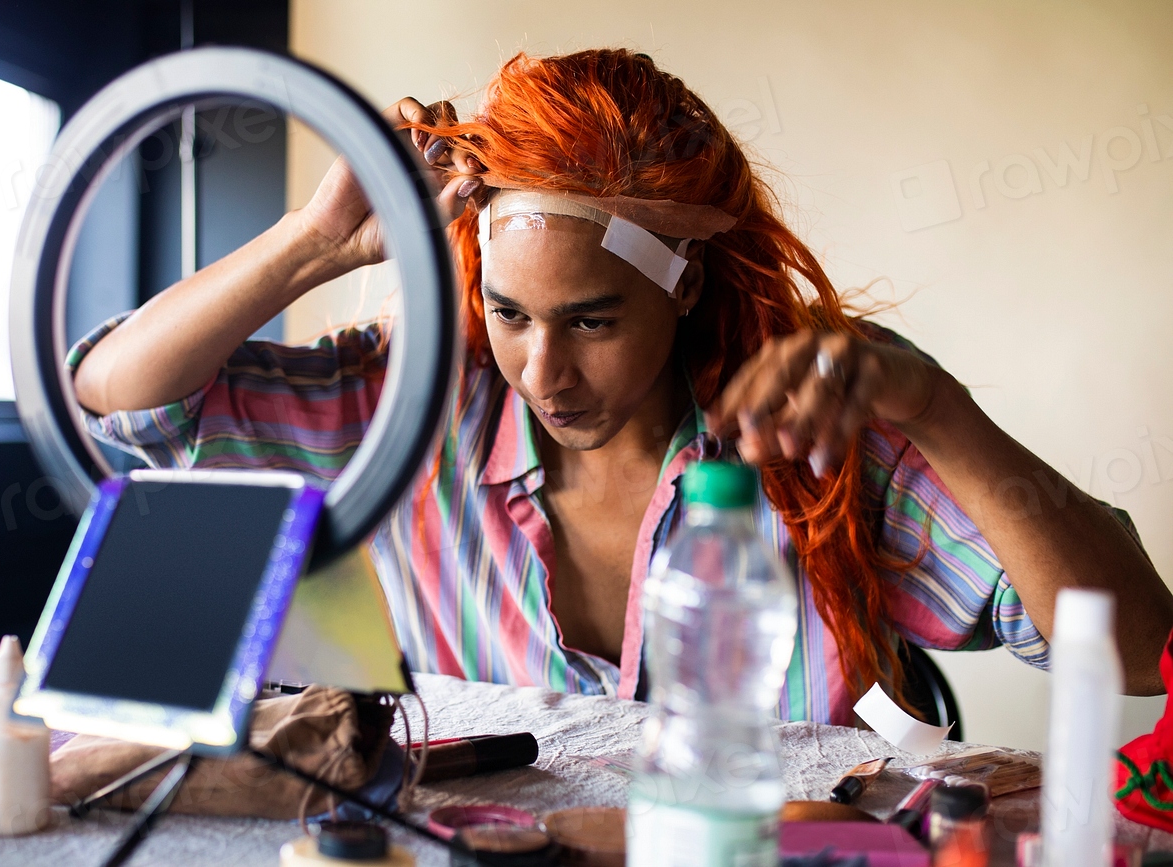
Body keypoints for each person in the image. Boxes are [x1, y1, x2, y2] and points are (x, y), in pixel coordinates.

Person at [71, 49, 1172, 725]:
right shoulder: (411, 404)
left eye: (592, 320)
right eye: (511, 315)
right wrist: (311, 245)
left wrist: (938, 410)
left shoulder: (817, 432)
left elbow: (1130, 655)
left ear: (682, 287)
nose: (543, 372)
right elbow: (124, 405)